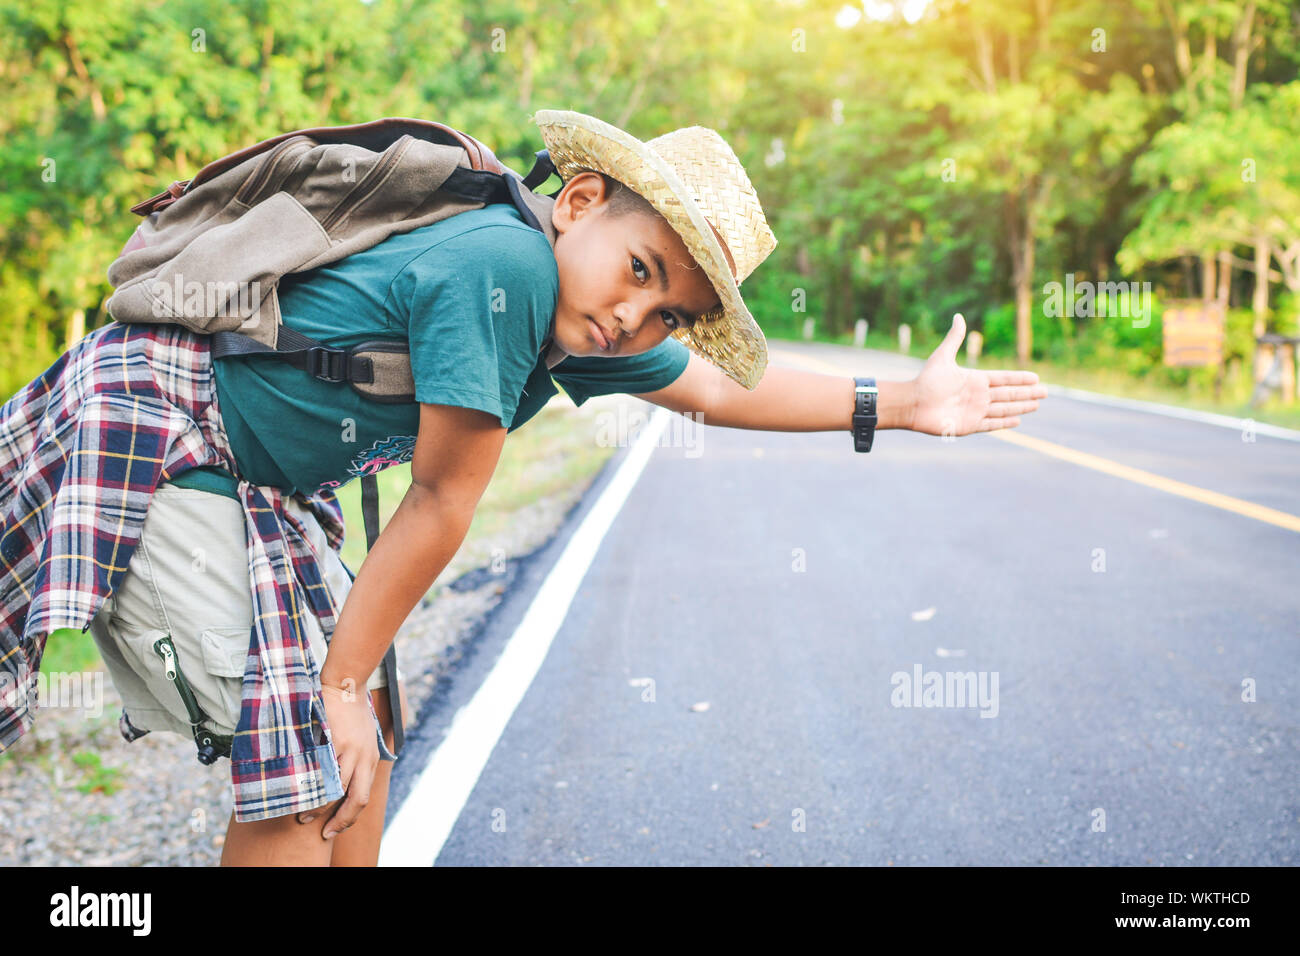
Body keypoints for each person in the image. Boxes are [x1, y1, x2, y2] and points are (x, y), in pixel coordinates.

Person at [0, 109, 1046, 866]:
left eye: (669, 310)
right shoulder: (511, 271)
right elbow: (442, 501)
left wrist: (899, 401)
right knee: (311, 735)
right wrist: (334, 682)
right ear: (580, 202)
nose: (638, 320)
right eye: (642, 270)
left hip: (255, 473)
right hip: (162, 419)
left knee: (368, 738)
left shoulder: (581, 313)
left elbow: (723, 395)